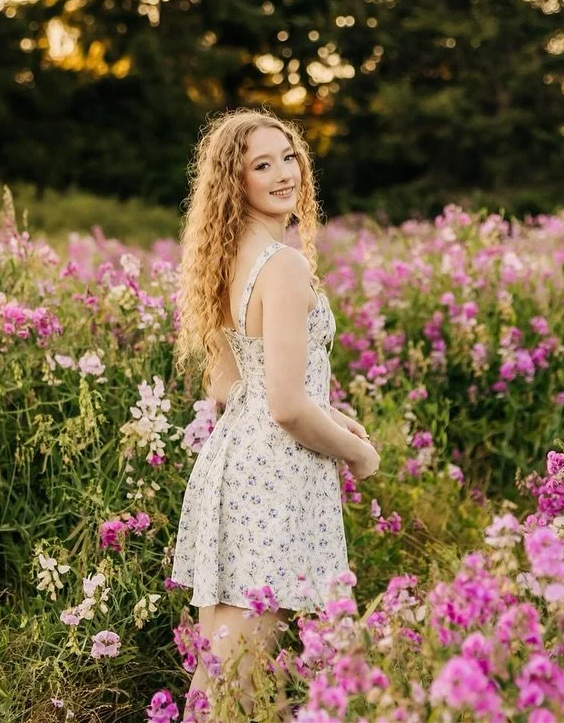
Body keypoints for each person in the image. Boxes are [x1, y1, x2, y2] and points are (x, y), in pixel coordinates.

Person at [168, 108, 381, 718]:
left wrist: (333, 415)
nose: (285, 173)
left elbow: (236, 385)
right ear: (236, 183)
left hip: (236, 466)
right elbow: (285, 407)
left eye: (288, 156)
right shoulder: (283, 266)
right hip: (274, 479)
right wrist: (358, 453)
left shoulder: (228, 258)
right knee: (232, 695)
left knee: (227, 685)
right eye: (262, 165)